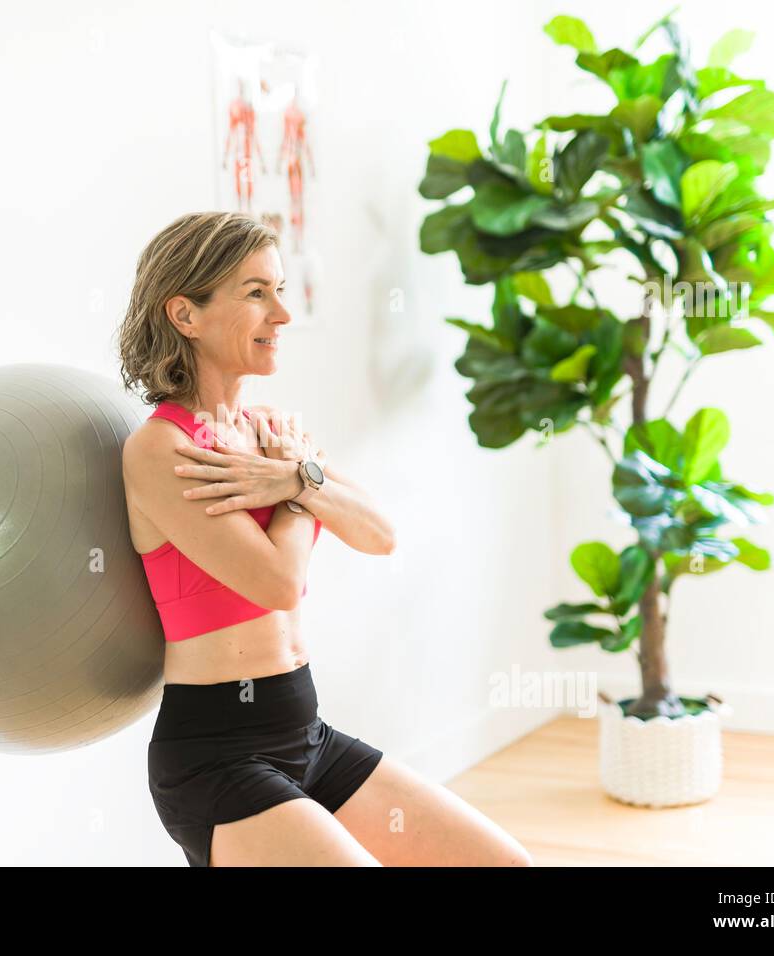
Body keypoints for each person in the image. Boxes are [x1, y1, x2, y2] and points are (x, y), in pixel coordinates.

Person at [115, 210, 534, 867]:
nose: (282, 315)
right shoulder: (162, 449)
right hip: (215, 759)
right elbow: (276, 583)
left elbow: (379, 534)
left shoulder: (269, 434)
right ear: (185, 314)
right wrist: (298, 491)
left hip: (306, 735)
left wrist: (292, 478)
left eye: (281, 290)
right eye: (257, 293)